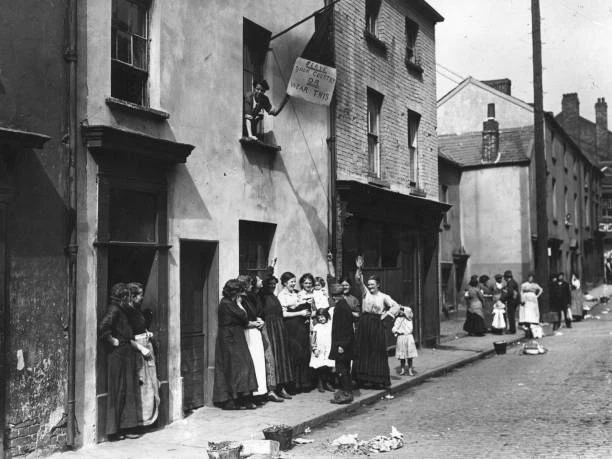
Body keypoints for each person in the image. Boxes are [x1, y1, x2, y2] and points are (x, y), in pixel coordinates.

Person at [99, 283, 150, 440]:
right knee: (118, 390)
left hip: (126, 353)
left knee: (127, 389)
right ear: (122, 297)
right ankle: (114, 431)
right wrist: (111, 339)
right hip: (118, 354)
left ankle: (126, 427)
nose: (129, 298)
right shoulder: (114, 309)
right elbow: (103, 326)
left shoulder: (123, 310)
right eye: (127, 296)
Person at [352, 256, 400, 389]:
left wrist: (387, 315)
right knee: (363, 350)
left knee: (376, 351)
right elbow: (358, 280)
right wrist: (358, 268)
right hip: (365, 323)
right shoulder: (365, 293)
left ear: (378, 284)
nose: (370, 286)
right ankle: (362, 378)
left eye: (373, 284)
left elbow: (395, 306)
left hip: (377, 324)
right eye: (369, 284)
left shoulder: (384, 296)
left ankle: (377, 380)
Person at [212, 279, 258, 410]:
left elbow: (243, 320)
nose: (241, 295)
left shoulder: (229, 303)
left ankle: (242, 398)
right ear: (234, 292)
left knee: (242, 366)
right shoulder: (227, 304)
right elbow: (243, 316)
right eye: (239, 292)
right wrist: (239, 305)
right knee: (234, 367)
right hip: (229, 338)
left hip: (236, 336)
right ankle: (230, 401)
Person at [126, 282, 159, 429]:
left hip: (146, 346)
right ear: (132, 296)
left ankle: (149, 418)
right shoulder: (127, 312)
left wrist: (147, 332)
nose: (142, 297)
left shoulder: (136, 310)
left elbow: (140, 326)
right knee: (142, 384)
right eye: (140, 294)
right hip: (138, 352)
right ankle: (140, 420)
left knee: (150, 383)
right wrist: (140, 347)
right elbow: (126, 336)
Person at [259, 273, 294, 400]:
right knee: (272, 357)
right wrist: (270, 269)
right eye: (270, 284)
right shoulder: (262, 296)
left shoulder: (274, 297)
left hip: (279, 329)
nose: (272, 286)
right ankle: (271, 390)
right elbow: (264, 282)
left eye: (274, 284)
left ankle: (281, 388)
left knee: (281, 357)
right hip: (269, 329)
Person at [237, 275, 270, 405]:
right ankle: (249, 395)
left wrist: (259, 319)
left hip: (255, 333)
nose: (252, 286)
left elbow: (254, 313)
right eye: (250, 284)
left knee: (258, 362)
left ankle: (258, 393)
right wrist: (252, 322)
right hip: (248, 333)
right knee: (252, 363)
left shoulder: (249, 298)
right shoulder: (240, 300)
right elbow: (242, 318)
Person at [279, 272, 313, 392]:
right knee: (294, 354)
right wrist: (300, 313)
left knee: (303, 354)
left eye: (294, 281)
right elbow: (283, 313)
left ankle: (302, 383)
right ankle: (293, 385)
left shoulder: (296, 293)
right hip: (291, 327)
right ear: (284, 283)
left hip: (301, 327)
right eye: (291, 282)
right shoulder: (282, 295)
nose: (293, 284)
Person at [328, 283, 355, 404]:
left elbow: (345, 329)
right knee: (344, 368)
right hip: (344, 344)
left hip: (342, 345)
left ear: (334, 296)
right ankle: (346, 391)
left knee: (342, 369)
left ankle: (347, 393)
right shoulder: (344, 305)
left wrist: (341, 345)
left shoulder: (341, 307)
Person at [310, 308, 335, 392]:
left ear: (327, 316)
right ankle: (320, 383)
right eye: (319, 317)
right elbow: (313, 340)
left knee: (328, 367)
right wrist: (314, 349)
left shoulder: (331, 325)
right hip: (319, 350)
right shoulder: (317, 327)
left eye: (323, 317)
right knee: (321, 367)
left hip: (328, 349)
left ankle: (327, 383)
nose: (321, 319)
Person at [392, 307, 417, 376]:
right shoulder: (398, 320)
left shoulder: (409, 318)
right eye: (400, 311)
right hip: (401, 337)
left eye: (402, 311)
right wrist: (396, 331)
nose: (401, 312)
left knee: (410, 356)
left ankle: (410, 370)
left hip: (409, 337)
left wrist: (401, 307)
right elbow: (394, 328)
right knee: (402, 356)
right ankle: (402, 370)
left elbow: (409, 310)